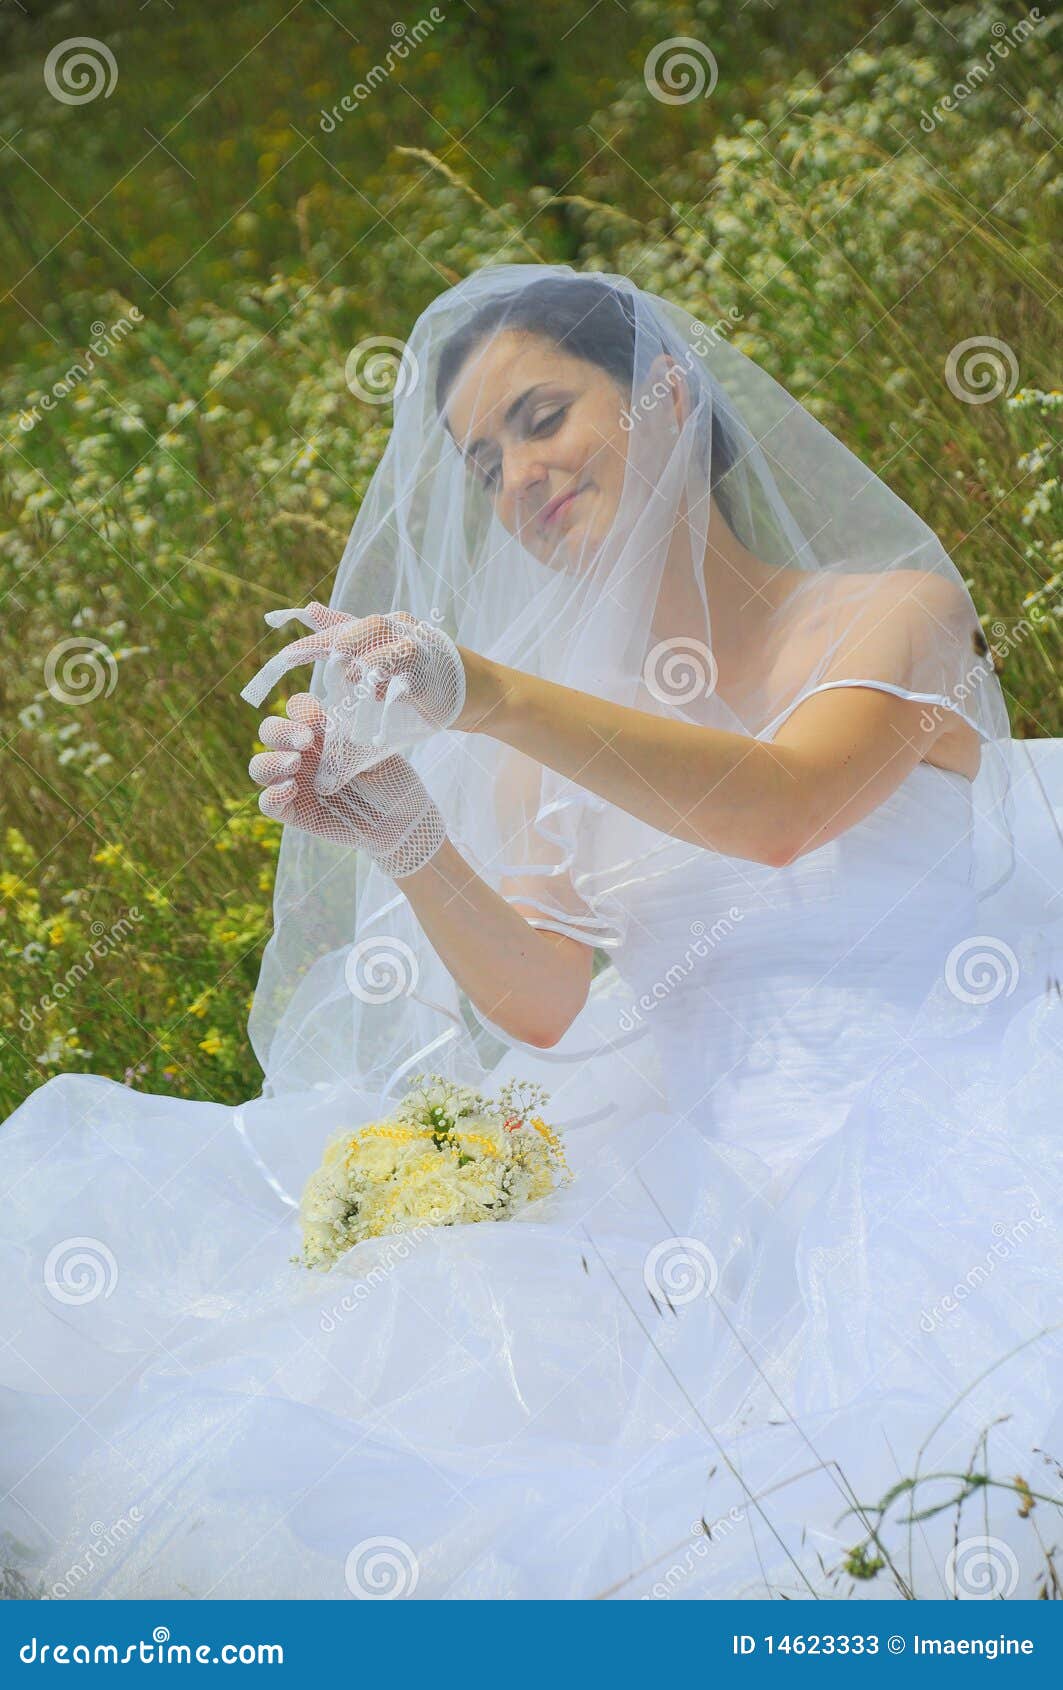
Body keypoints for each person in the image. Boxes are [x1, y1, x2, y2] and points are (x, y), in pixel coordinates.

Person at [1, 265, 1060, 1602]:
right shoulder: (540, 748)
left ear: (668, 392)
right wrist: (410, 839)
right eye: (484, 463)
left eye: (545, 418)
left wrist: (488, 692)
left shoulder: (884, 613)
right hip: (699, 1176)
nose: (518, 479)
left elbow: (784, 810)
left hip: (947, 1108)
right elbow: (553, 1000)